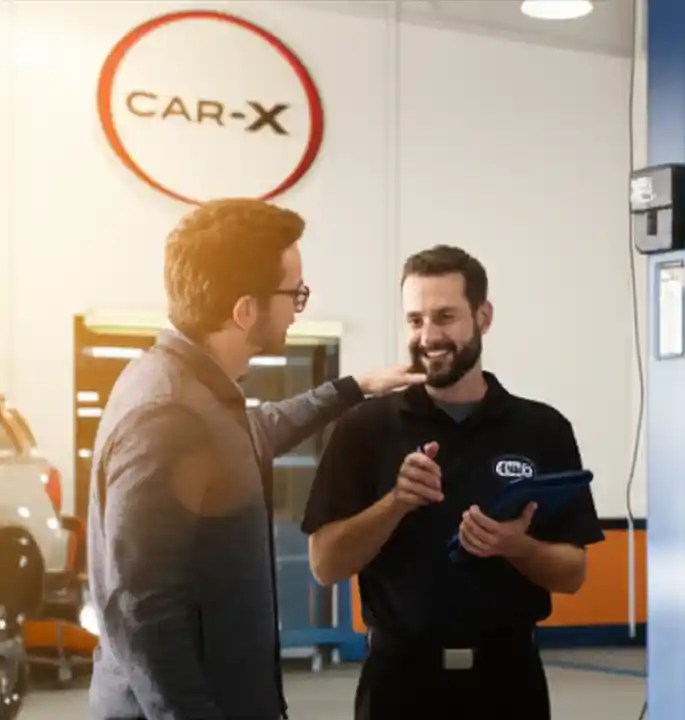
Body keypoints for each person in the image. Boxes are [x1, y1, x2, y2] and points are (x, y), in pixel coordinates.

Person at [85, 198, 425, 720]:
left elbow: (254, 433)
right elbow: (141, 609)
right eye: (295, 294)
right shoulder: (166, 413)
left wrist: (351, 388)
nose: (297, 308)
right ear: (245, 310)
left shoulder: (195, 395)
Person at [302, 245, 605, 719]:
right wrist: (396, 503)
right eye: (415, 320)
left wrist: (516, 546)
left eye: (445, 317)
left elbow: (573, 573)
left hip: (509, 684)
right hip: (399, 687)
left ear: (483, 317)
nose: (428, 336)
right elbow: (325, 565)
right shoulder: (365, 428)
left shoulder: (542, 429)